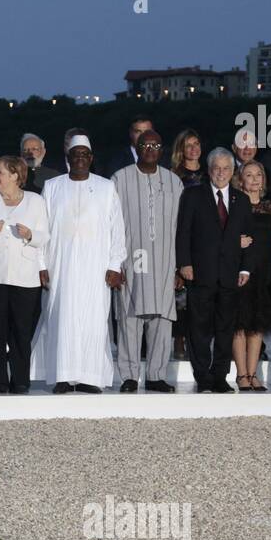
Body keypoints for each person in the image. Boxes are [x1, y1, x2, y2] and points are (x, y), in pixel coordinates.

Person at [34, 136, 126, 393]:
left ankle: (89, 377)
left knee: (93, 321)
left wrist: (115, 265)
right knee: (61, 319)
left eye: (85, 154)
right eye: (76, 154)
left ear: (91, 158)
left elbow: (117, 229)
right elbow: (42, 228)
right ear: (68, 159)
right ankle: (62, 376)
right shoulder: (52, 187)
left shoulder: (106, 187)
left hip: (96, 269)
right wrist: (41, 264)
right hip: (59, 266)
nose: (81, 158)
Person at [176, 148, 254, 392]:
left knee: (225, 328)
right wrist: (184, 264)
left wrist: (246, 269)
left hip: (230, 275)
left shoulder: (241, 200)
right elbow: (183, 233)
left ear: (233, 171)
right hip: (200, 273)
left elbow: (248, 237)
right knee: (198, 329)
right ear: (209, 170)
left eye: (226, 168)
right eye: (217, 168)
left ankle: (220, 376)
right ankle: (203, 377)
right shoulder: (192, 195)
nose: (221, 173)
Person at [110, 130, 182, 393]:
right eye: (145, 144)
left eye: (155, 145)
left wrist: (180, 265)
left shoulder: (174, 182)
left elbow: (182, 227)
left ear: (162, 149)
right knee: (130, 318)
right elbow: (112, 224)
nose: (150, 148)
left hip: (165, 260)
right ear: (136, 147)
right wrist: (115, 263)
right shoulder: (120, 178)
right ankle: (129, 376)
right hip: (131, 260)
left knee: (162, 319)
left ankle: (156, 375)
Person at [0, 156, 48, 393]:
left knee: (22, 331)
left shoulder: (35, 201)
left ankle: (20, 380)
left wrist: (31, 234)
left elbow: (45, 237)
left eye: (0, 172)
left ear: (15, 175)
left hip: (25, 277)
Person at [231, 161, 271, 391]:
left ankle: (253, 374)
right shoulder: (234, 204)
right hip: (241, 268)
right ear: (240, 179)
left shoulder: (269, 206)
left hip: (265, 268)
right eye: (249, 175)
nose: (254, 179)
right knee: (240, 324)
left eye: (258, 175)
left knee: (258, 324)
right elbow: (222, 235)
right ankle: (241, 375)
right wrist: (237, 242)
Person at [170, 129, 206, 360]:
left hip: (206, 241)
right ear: (181, 150)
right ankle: (179, 341)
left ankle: (201, 343)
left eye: (196, 143)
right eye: (188, 145)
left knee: (204, 298)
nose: (193, 148)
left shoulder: (210, 174)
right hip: (182, 237)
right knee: (181, 298)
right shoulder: (173, 176)